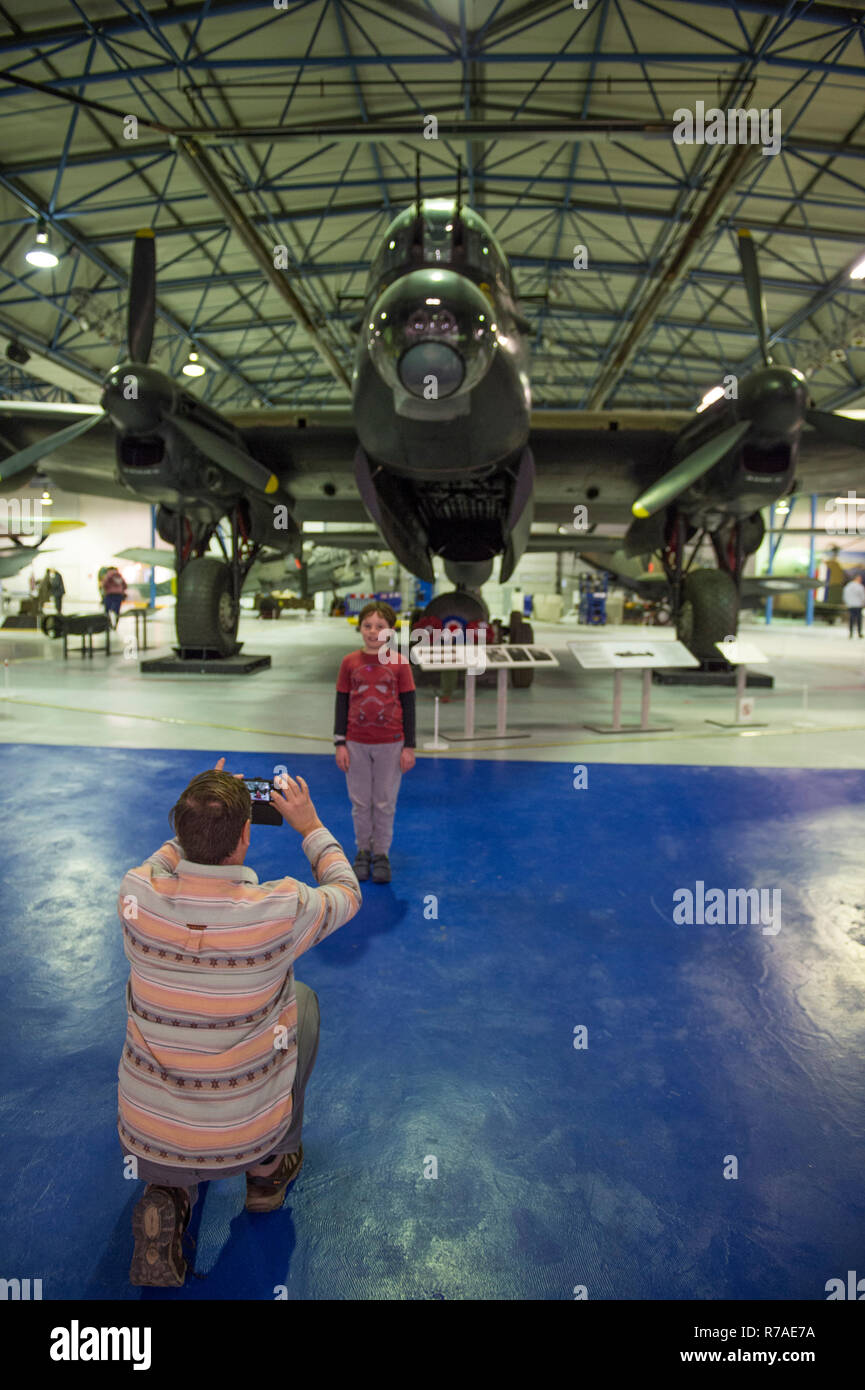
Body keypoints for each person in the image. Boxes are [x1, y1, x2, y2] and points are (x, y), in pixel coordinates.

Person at [118, 759, 361, 1287]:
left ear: (179, 829)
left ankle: (168, 1190)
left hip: (148, 1133)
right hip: (245, 1132)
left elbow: (163, 858)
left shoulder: (136, 894)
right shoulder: (280, 907)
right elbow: (347, 891)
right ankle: (267, 1173)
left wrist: (196, 812)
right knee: (303, 1003)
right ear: (247, 835)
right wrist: (310, 825)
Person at [334, 601, 416, 884]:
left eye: (380, 626)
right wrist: (340, 743)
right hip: (356, 743)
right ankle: (362, 851)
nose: (373, 631)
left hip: (391, 743)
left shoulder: (400, 664)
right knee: (359, 801)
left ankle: (381, 853)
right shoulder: (349, 663)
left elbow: (409, 704)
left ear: (390, 631)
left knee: (384, 801)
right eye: (367, 625)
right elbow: (342, 702)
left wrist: (409, 746)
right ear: (360, 628)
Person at [842, 573, 865, 638]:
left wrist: (847, 603)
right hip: (858, 605)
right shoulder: (860, 586)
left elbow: (845, 595)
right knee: (859, 620)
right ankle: (859, 633)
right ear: (857, 578)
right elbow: (863, 596)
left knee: (851, 619)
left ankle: (851, 633)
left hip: (850, 605)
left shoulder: (848, 586)